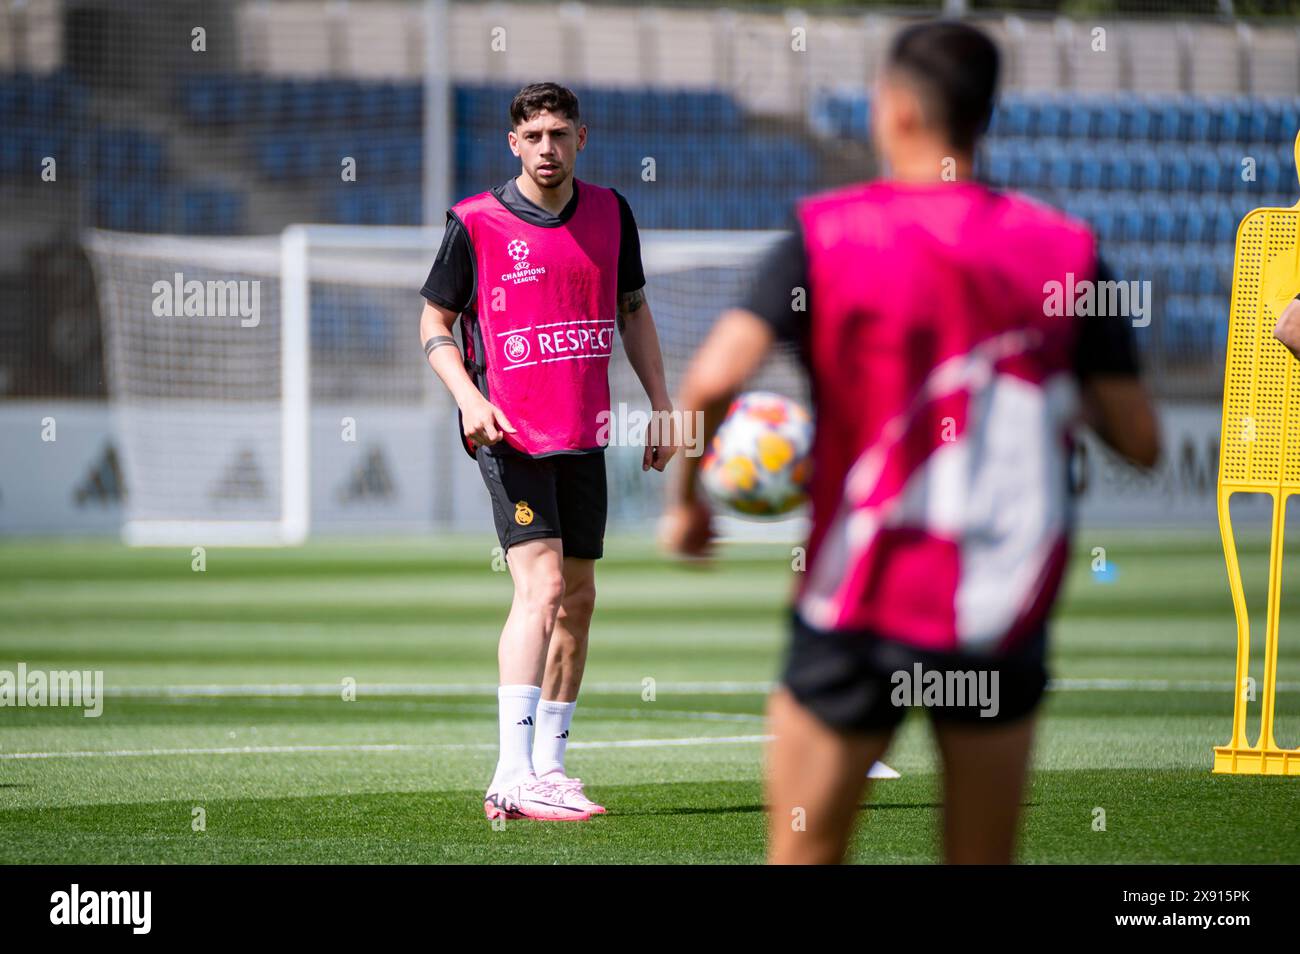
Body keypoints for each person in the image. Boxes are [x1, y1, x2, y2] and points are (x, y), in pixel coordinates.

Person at [661, 20, 1160, 863]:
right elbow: (1141, 443)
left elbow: (710, 383)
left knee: (805, 853)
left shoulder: (824, 235)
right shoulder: (1067, 253)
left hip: (857, 601)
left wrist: (689, 506)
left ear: (892, 111)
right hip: (999, 608)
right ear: (984, 116)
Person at [419, 82, 676, 821]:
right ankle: (510, 772)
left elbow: (633, 309)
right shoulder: (476, 222)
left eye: (559, 134)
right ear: (514, 144)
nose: (547, 148)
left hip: (585, 432)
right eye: (533, 136)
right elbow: (434, 319)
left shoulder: (611, 212)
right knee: (543, 590)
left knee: (581, 600)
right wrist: (469, 398)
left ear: (581, 138)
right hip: (509, 432)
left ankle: (549, 768)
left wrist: (664, 407)